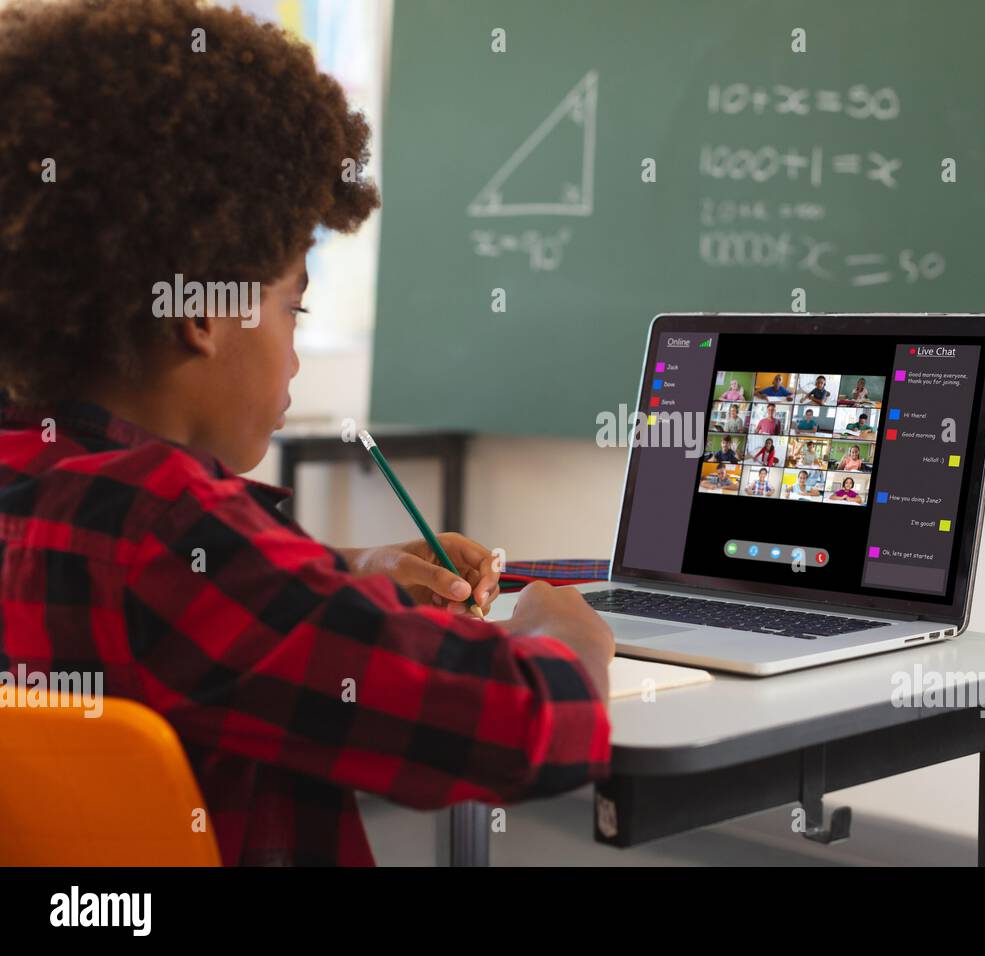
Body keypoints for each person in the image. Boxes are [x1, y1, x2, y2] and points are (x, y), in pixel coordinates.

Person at [0, 0, 613, 867]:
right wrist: (567, 639)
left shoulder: (49, 485)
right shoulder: (169, 532)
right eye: (296, 306)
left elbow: (222, 608)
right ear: (204, 313)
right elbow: (522, 729)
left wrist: (345, 571)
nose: (294, 348)